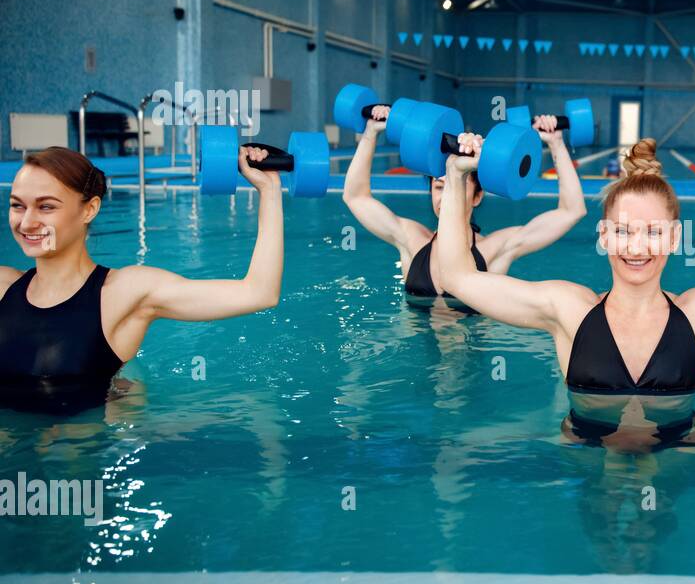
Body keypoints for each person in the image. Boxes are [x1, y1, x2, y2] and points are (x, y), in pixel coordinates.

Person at [436, 136, 695, 409]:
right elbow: (456, 277)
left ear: (675, 238)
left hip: (676, 466)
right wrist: (456, 177)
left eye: (653, 232)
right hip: (586, 463)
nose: (637, 247)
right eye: (622, 232)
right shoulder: (566, 309)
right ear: (603, 235)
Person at [1, 146, 283, 414]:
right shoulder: (3, 286)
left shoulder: (124, 294)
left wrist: (269, 190)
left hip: (72, 454)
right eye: (17, 206)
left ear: (89, 209)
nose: (26, 223)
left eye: (46, 207)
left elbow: (259, 293)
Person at [342, 110, 586, 308]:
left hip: (472, 359)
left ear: (477, 196)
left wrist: (556, 144)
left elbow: (571, 211)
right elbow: (355, 197)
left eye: (455, 183)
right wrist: (370, 133)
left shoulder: (494, 249)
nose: (445, 195)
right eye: (439, 187)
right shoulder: (411, 239)